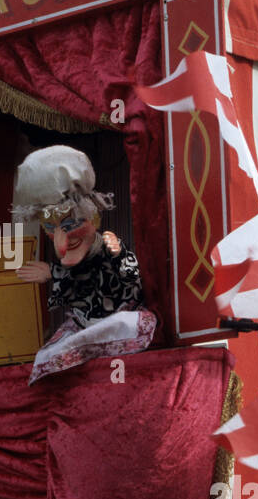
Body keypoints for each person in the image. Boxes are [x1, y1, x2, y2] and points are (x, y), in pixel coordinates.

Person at [14, 146, 157, 383]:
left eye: (71, 225)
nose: (63, 239)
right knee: (50, 354)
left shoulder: (109, 247)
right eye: (51, 229)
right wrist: (56, 272)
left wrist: (54, 271)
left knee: (131, 325)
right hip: (83, 323)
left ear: (94, 217)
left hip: (118, 314)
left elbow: (128, 281)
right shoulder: (69, 262)